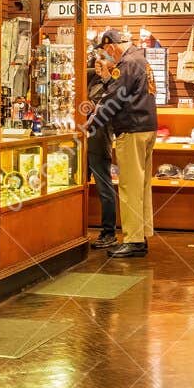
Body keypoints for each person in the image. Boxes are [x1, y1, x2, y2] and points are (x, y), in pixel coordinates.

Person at [97, 26, 157, 258]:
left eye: (106, 52)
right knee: (141, 185)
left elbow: (114, 98)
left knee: (130, 186)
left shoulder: (126, 65)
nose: (107, 56)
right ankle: (141, 235)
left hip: (131, 129)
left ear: (111, 46)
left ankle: (133, 240)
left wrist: (90, 126)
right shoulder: (140, 59)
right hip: (147, 127)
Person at [85, 47, 119, 250]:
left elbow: (113, 100)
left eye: (103, 60)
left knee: (104, 188)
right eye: (97, 60)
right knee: (77, 185)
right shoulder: (91, 79)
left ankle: (109, 233)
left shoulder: (115, 83)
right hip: (82, 139)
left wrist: (106, 75)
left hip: (99, 139)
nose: (99, 64)